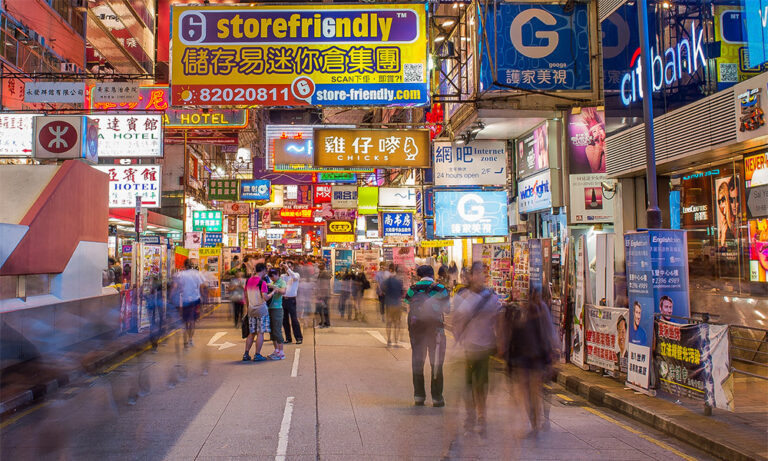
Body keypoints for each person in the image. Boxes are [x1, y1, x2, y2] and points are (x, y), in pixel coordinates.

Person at [451, 262, 501, 436]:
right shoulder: (462, 297)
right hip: (467, 349)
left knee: (481, 386)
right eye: (477, 273)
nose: (480, 277)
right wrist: (458, 341)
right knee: (468, 387)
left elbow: (498, 321)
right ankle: (471, 415)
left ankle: (481, 417)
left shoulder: (492, 298)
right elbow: (455, 321)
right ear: (471, 276)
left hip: (484, 349)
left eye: (483, 274)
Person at [508, 289, 558, 436]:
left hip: (534, 360)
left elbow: (547, 335)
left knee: (533, 393)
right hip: (530, 360)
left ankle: (536, 422)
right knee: (531, 393)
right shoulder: (527, 315)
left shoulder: (537, 314)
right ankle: (536, 422)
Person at [404, 265, 450, 407]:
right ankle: (437, 398)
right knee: (436, 363)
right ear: (432, 274)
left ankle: (419, 396)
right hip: (436, 331)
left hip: (417, 332)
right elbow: (447, 310)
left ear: (418, 276)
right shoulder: (440, 288)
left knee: (417, 362)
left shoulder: (413, 289)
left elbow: (407, 307)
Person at [173, 258, 207, 348]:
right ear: (192, 265)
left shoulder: (180, 274)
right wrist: (203, 297)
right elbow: (202, 286)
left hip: (184, 300)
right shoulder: (197, 274)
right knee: (192, 321)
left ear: (184, 266)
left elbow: (175, 287)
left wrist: (173, 296)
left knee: (185, 321)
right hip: (195, 300)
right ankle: (190, 339)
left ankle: (185, 342)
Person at [243, 263, 271, 362]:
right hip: (261, 310)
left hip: (251, 309)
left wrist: (248, 308)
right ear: (263, 270)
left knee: (252, 332)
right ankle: (257, 354)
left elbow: (246, 296)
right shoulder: (261, 282)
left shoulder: (248, 281)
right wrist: (273, 292)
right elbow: (265, 297)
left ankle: (246, 354)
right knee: (260, 332)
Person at [267, 268, 287, 360]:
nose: (272, 278)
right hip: (269, 309)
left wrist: (275, 288)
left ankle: (281, 352)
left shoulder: (281, 282)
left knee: (277, 330)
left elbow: (283, 291)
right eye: (270, 276)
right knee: (272, 331)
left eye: (273, 276)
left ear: (277, 274)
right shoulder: (271, 283)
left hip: (277, 309)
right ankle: (276, 350)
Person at [282, 261, 303, 344]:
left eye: (290, 266)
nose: (288, 268)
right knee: (285, 320)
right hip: (283, 299)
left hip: (291, 300)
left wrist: (287, 269)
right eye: (287, 266)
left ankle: (298, 337)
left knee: (294, 320)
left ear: (292, 267)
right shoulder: (282, 276)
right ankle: (288, 338)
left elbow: (294, 276)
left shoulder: (296, 275)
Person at [383, 264, 405, 346]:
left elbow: (382, 288)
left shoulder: (388, 280)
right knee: (397, 323)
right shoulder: (399, 282)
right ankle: (396, 340)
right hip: (398, 304)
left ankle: (389, 339)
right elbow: (402, 292)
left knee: (389, 322)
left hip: (389, 303)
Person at [145, 275, 164, 352]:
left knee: (153, 328)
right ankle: (154, 344)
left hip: (155, 312)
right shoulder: (158, 293)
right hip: (157, 312)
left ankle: (154, 344)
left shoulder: (153, 293)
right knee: (156, 328)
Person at [316, 263, 332, 328]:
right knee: (323, 308)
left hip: (323, 294)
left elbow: (324, 284)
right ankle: (325, 322)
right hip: (324, 293)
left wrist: (321, 294)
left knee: (322, 308)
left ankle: (325, 322)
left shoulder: (324, 273)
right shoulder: (324, 273)